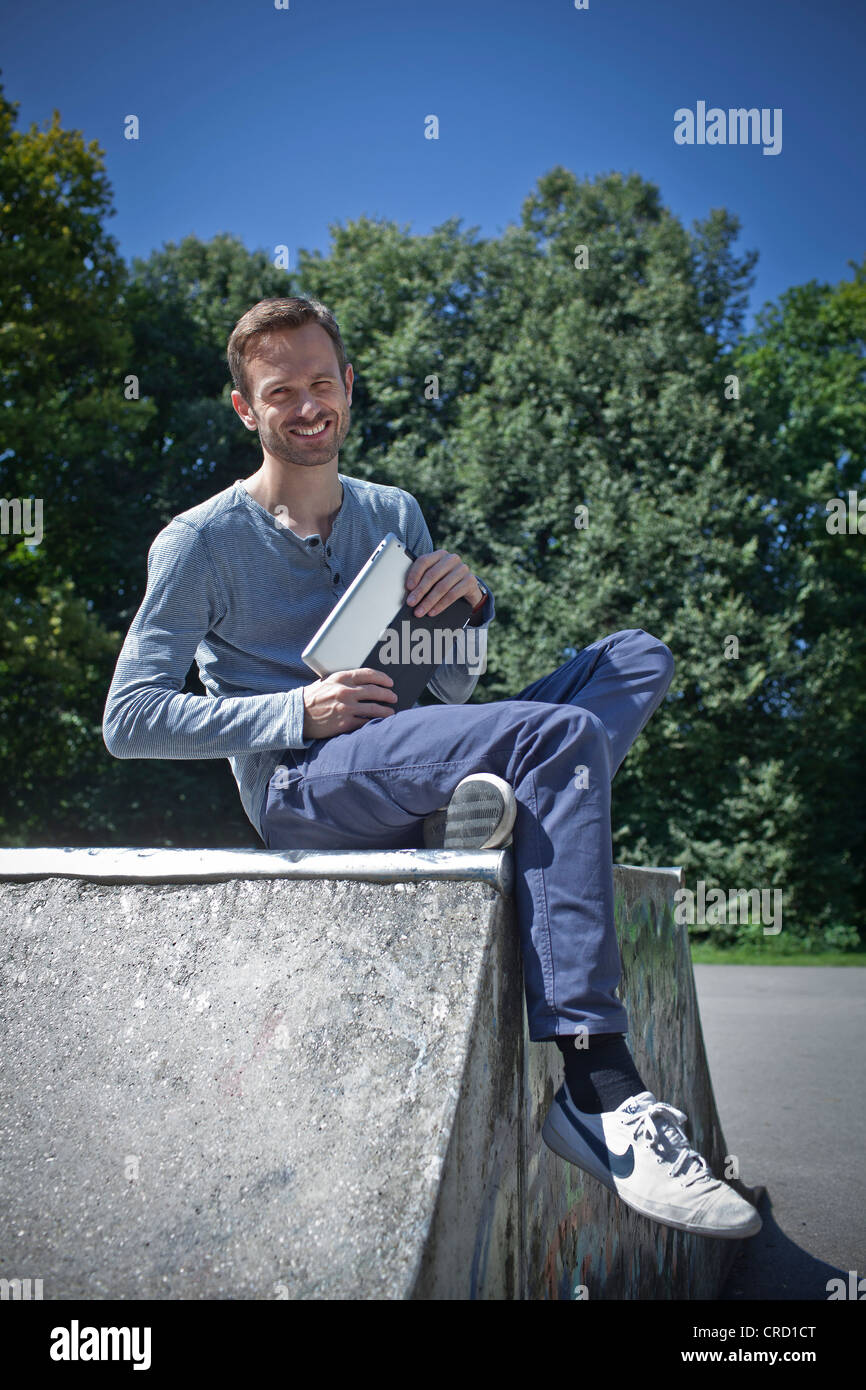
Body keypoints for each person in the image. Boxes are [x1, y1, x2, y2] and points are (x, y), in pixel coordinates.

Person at [103, 296, 760, 1242]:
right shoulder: (200, 541)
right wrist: (296, 708)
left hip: (411, 750)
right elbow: (131, 719)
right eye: (279, 392)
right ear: (247, 410)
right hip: (305, 782)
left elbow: (450, 688)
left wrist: (469, 608)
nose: (306, 407)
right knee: (558, 739)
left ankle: (473, 814)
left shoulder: (391, 512)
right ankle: (597, 1086)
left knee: (636, 656)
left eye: (321, 384)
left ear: (348, 388)